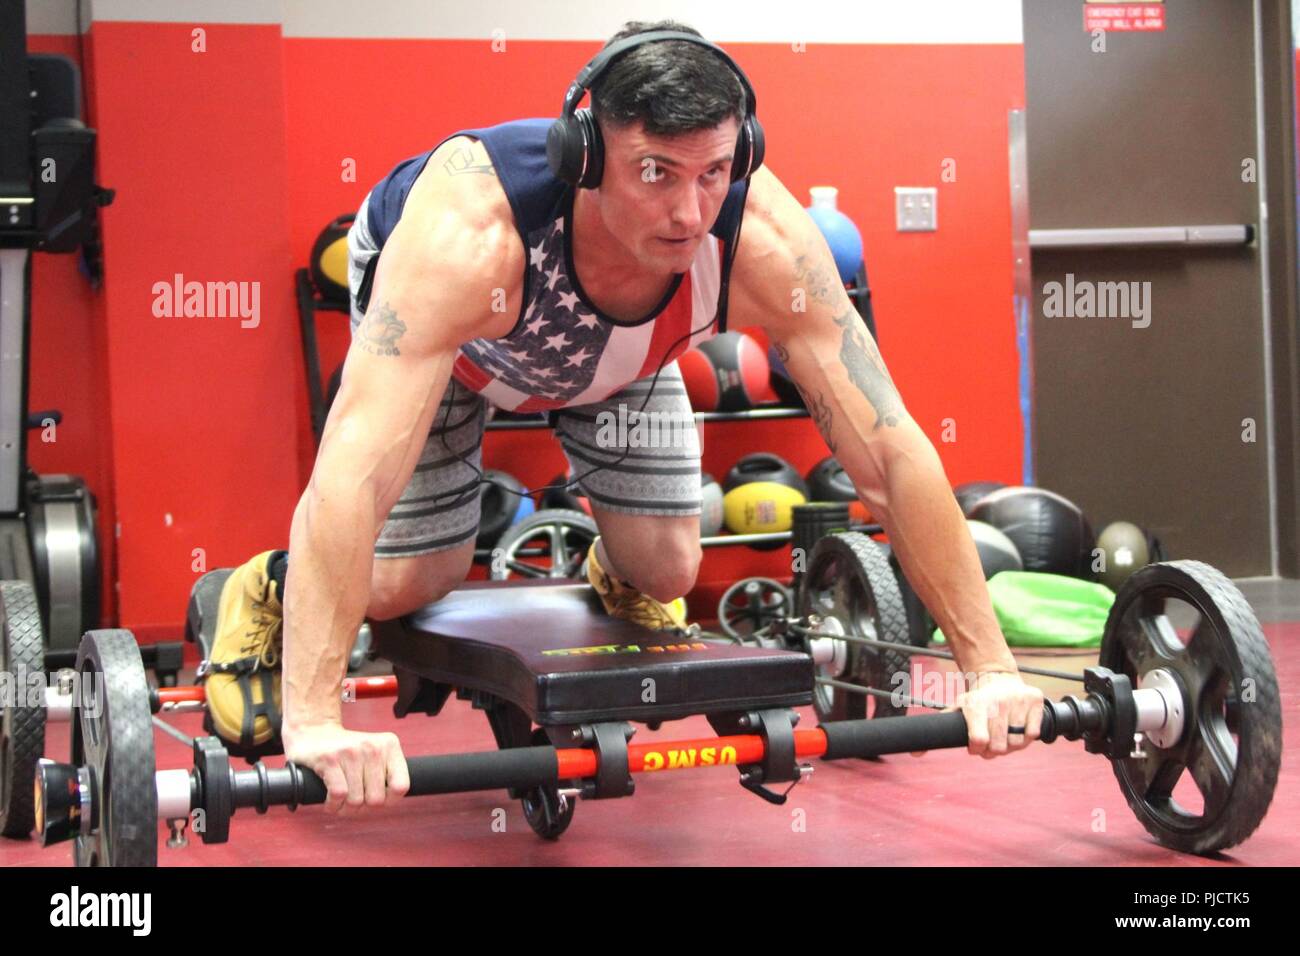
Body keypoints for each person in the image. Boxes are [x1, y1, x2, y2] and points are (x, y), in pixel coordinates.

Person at [200, 20, 1044, 813]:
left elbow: (889, 449)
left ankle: (619, 569)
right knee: (407, 583)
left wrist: (990, 669)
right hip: (464, 357)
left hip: (621, 363)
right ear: (585, 156)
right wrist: (314, 717)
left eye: (713, 171)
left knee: (669, 572)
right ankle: (266, 585)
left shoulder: (760, 238)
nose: (688, 213)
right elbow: (356, 467)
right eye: (655, 172)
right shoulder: (469, 232)